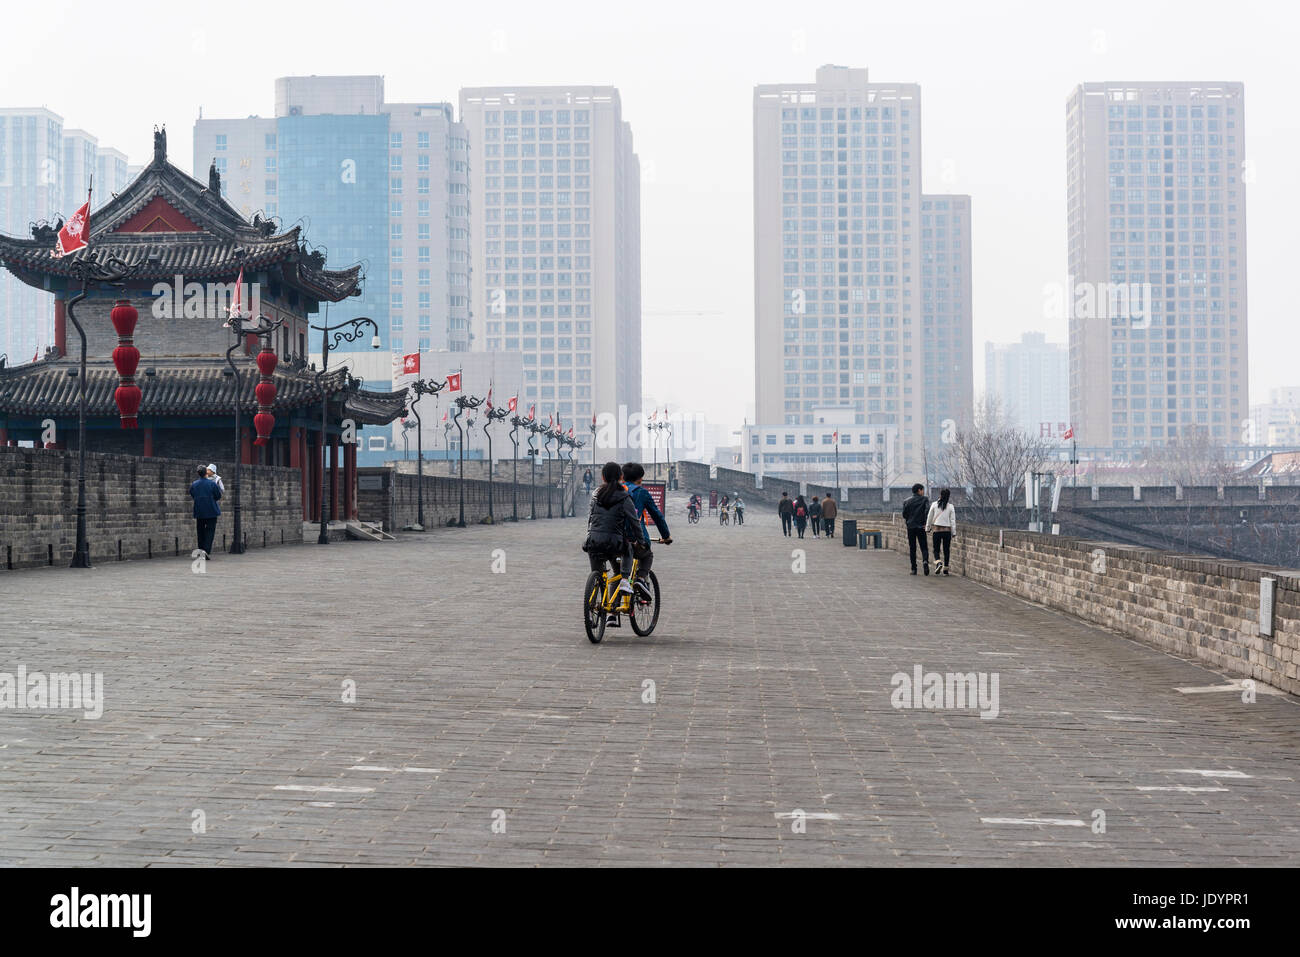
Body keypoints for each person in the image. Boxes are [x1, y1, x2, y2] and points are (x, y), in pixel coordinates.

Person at [583, 462, 641, 625]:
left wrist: (589, 537)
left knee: (598, 574)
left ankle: (594, 609)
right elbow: (634, 522)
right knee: (628, 549)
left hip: (593, 541)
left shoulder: (595, 494)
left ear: (602, 477)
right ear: (621, 477)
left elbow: (590, 519)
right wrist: (641, 541)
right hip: (615, 543)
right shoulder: (624, 496)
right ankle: (623, 580)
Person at [621, 462, 671, 588]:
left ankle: (612, 604)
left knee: (618, 574)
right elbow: (657, 516)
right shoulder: (641, 493)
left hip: (615, 538)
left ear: (623, 477)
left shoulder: (614, 490)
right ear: (639, 478)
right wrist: (666, 536)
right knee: (647, 555)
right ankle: (641, 579)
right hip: (634, 538)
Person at [189, 465, 223, 560]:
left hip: (199, 511)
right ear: (206, 473)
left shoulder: (194, 484)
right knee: (210, 531)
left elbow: (192, 494)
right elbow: (218, 496)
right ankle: (206, 550)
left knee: (200, 531)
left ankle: (201, 549)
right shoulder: (212, 484)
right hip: (211, 510)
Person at [902, 482, 931, 575]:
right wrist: (925, 523)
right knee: (924, 547)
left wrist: (909, 520)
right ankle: (925, 561)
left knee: (912, 548)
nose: (923, 492)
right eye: (923, 490)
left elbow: (904, 515)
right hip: (921, 527)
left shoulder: (906, 501)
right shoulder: (925, 499)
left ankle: (913, 569)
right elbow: (927, 511)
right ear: (919, 490)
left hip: (911, 527)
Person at [926, 488, 956, 576]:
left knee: (936, 549)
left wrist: (927, 528)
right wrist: (953, 532)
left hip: (937, 531)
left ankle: (938, 563)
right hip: (947, 531)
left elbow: (929, 517)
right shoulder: (950, 506)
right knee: (946, 550)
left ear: (940, 495)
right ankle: (946, 569)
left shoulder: (934, 505)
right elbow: (952, 520)